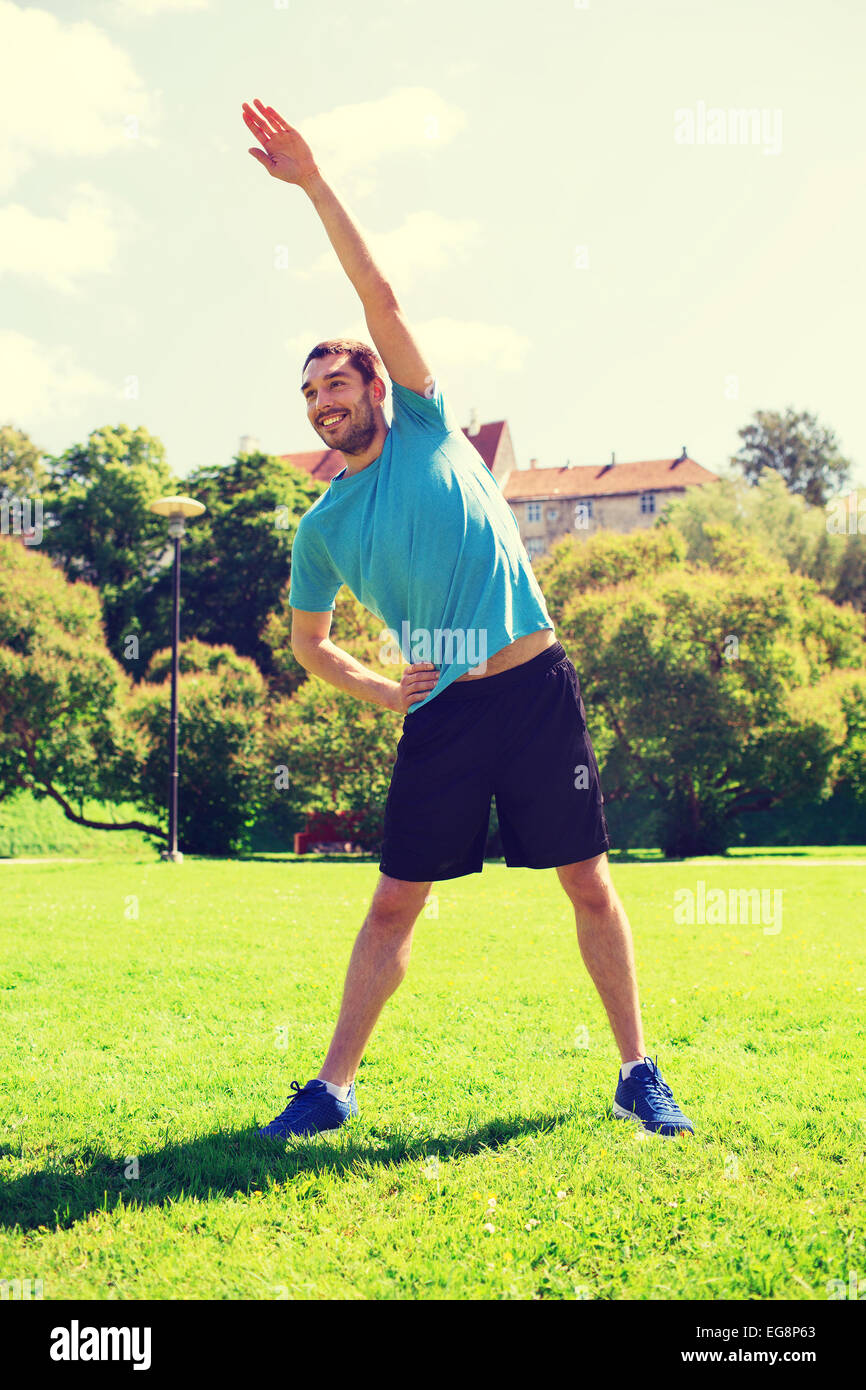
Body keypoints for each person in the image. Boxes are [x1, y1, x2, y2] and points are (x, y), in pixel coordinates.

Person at [242, 98, 693, 1141]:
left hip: (535, 689)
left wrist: (312, 182)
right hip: (439, 711)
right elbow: (310, 644)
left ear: (377, 388)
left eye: (337, 382)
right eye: (309, 392)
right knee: (395, 903)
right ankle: (331, 1087)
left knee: (587, 880)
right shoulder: (321, 525)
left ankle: (636, 1070)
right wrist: (370, 685)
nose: (323, 401)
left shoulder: (430, 424)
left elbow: (377, 289)